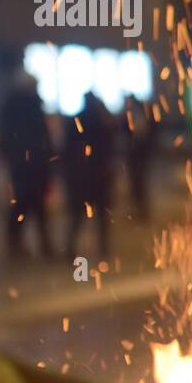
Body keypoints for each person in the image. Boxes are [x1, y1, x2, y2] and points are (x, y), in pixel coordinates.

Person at [0, 68, 54, 259]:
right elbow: (40, 136)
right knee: (24, 204)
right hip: (28, 165)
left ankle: (33, 245)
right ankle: (23, 246)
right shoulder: (25, 106)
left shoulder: (17, 105)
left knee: (31, 206)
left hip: (26, 164)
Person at [63, 92, 116, 261]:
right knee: (101, 214)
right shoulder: (102, 122)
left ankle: (71, 248)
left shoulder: (76, 121)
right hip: (98, 175)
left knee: (78, 215)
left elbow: (67, 151)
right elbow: (109, 149)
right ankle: (103, 247)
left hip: (81, 177)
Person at [121, 95, 156, 222]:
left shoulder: (137, 116)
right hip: (135, 157)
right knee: (136, 186)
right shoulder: (134, 115)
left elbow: (142, 136)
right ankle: (138, 212)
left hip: (139, 157)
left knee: (139, 186)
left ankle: (142, 212)